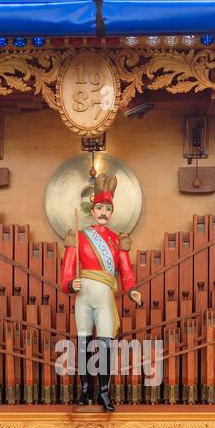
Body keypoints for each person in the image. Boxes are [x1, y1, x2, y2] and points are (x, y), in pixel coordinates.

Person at [59, 173, 143, 411]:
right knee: (84, 343)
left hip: (105, 298)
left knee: (105, 344)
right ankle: (85, 389)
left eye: (108, 208)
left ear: (111, 211)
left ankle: (104, 392)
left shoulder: (118, 241)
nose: (104, 212)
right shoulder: (79, 237)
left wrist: (132, 290)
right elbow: (66, 274)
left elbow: (126, 272)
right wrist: (69, 285)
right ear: (92, 210)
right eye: (100, 208)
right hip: (83, 298)